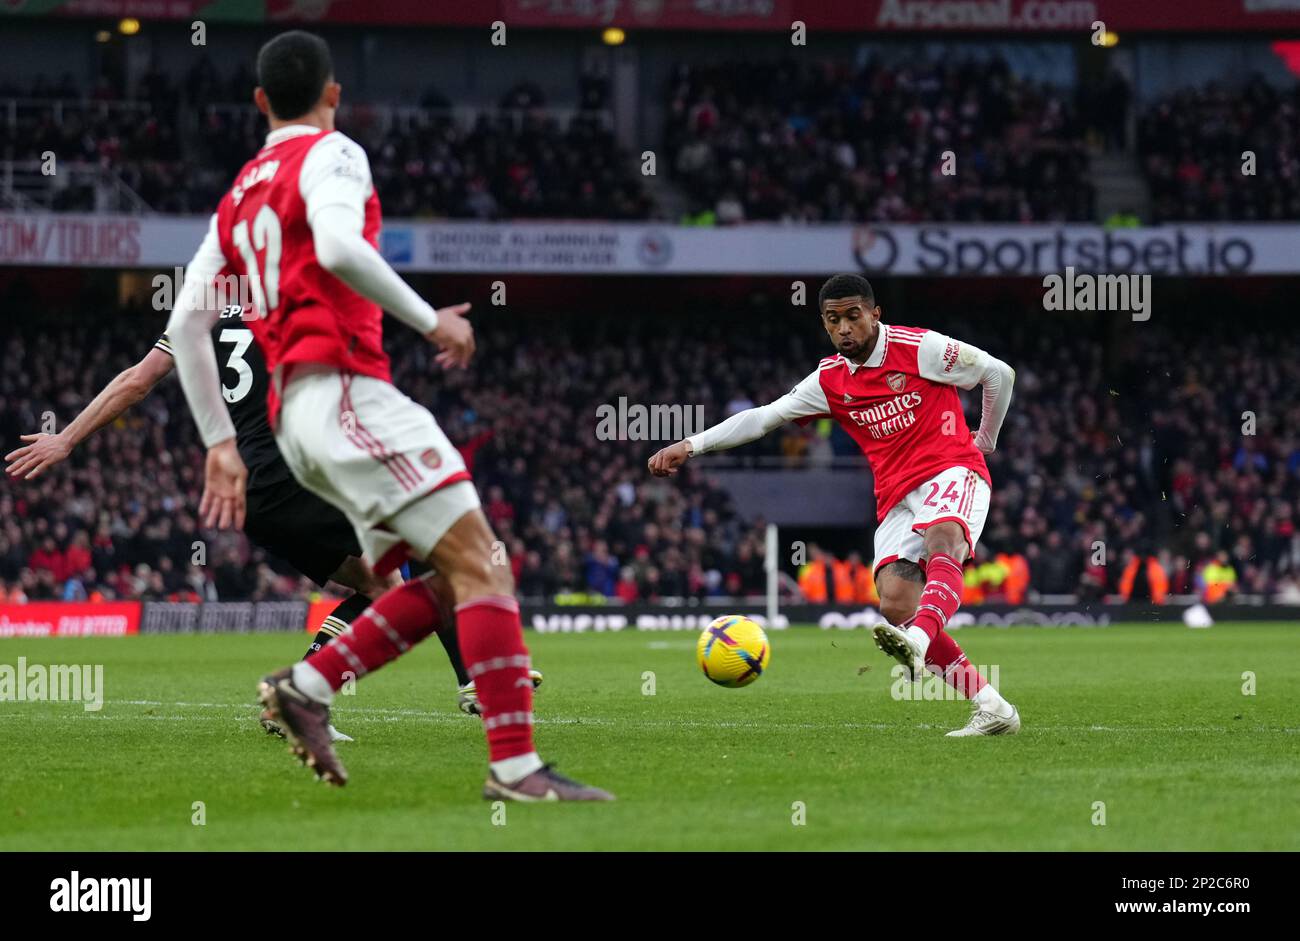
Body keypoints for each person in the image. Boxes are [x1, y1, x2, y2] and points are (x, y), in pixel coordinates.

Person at [163, 30, 608, 799]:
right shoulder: (332, 154)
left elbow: (183, 327)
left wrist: (216, 443)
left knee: (444, 573)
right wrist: (431, 320)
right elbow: (338, 247)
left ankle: (310, 686)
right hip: (345, 392)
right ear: (334, 95)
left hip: (291, 421)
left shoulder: (237, 193)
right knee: (483, 560)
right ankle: (513, 766)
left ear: (261, 102)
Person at [3, 317, 533, 730]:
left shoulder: (203, 309)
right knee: (422, 561)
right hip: (297, 476)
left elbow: (137, 381)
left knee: (383, 581)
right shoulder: (291, 292)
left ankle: (445, 685)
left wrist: (66, 438)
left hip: (248, 491)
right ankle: (457, 684)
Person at [649, 274, 1019, 736]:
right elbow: (764, 418)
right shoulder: (830, 381)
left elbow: (998, 374)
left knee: (942, 539)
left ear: (874, 314)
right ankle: (993, 707)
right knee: (896, 602)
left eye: (852, 316)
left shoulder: (918, 348)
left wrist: (985, 438)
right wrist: (692, 444)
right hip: (896, 497)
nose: (844, 328)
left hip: (952, 470)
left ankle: (919, 642)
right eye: (833, 320)